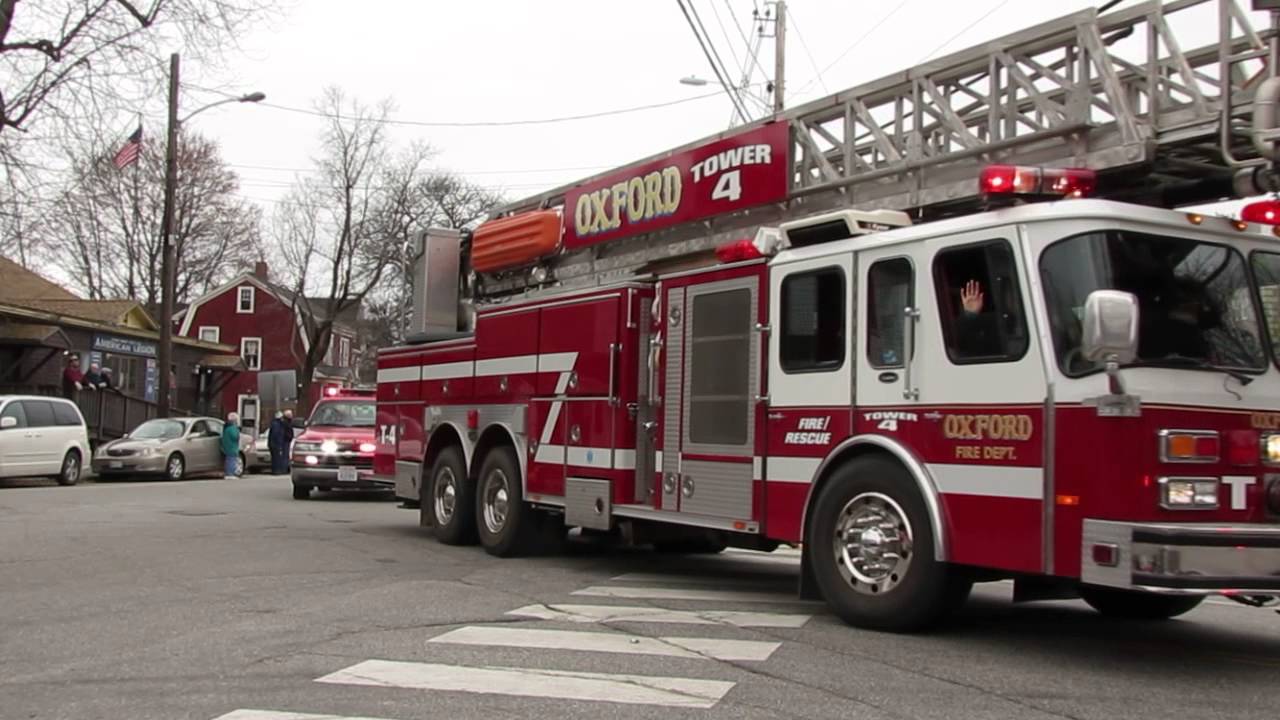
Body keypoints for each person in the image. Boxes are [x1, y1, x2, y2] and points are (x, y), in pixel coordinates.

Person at [221, 412, 241, 479]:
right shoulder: (232, 428)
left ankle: (229, 473)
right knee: (232, 460)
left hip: (227, 446)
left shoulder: (227, 428)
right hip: (232, 447)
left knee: (229, 460)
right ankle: (230, 474)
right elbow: (235, 437)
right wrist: (238, 431)